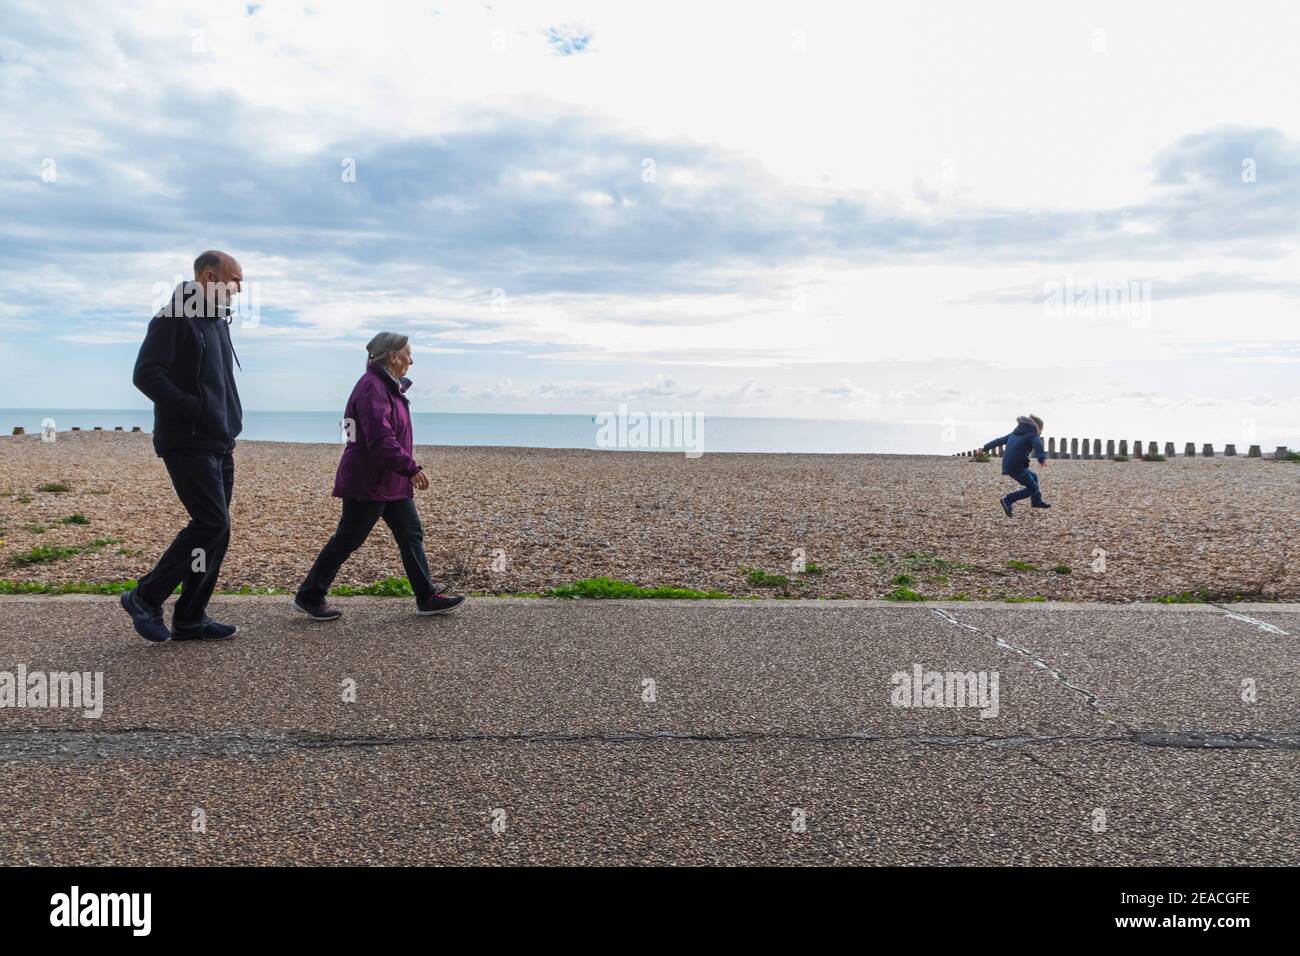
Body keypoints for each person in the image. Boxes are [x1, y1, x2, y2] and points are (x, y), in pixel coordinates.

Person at [292, 332, 464, 620]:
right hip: (369, 481)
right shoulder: (372, 387)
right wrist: (410, 467)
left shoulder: (388, 386)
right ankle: (309, 595)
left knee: (411, 535)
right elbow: (380, 438)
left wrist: (402, 469)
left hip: (390, 480)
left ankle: (427, 597)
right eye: (408, 353)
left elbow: (363, 431)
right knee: (348, 538)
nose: (412, 359)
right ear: (393, 356)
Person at [120, 251, 244, 641]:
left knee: (217, 531)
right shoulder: (171, 318)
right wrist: (194, 409)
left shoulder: (216, 321)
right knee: (211, 521)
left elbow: (218, 382)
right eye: (235, 280)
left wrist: (229, 420)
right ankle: (145, 596)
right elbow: (146, 375)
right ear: (209, 276)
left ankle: (191, 617)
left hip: (219, 440)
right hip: (186, 440)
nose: (239, 289)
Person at [982, 414, 1050, 517]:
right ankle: (1008, 500)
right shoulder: (1033, 435)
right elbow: (1038, 445)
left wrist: (985, 448)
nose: (1040, 433)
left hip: (1010, 465)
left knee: (1034, 476)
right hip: (1017, 467)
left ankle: (1036, 501)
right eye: (1041, 430)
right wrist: (1041, 459)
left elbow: (999, 441)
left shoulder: (1015, 433)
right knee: (1032, 489)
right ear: (1037, 427)